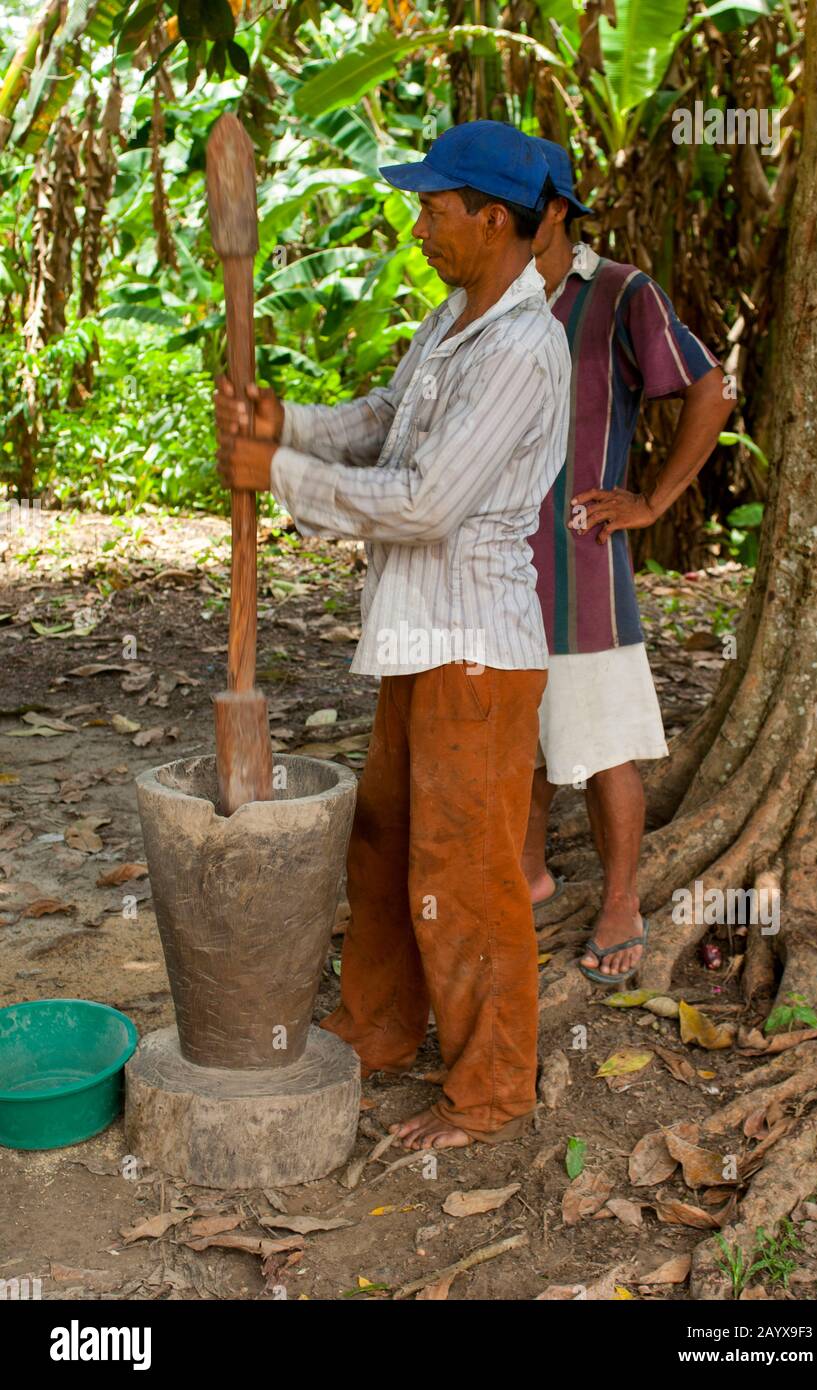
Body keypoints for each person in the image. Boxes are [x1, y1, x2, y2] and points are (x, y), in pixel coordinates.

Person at [215, 121, 570, 1148]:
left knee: (462, 873)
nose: (417, 224)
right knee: (381, 848)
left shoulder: (520, 347)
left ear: (490, 218)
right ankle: (374, 1029)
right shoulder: (455, 319)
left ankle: (491, 1087)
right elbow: (381, 417)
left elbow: (423, 503)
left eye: (432, 205)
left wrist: (275, 477)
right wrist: (288, 423)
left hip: (475, 649)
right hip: (418, 640)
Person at [523, 136, 734, 985]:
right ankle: (527, 878)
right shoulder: (487, 297)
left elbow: (708, 388)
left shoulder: (616, 292)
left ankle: (619, 901)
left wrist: (650, 500)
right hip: (488, 571)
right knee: (512, 741)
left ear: (557, 212)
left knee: (602, 742)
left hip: (580, 564)